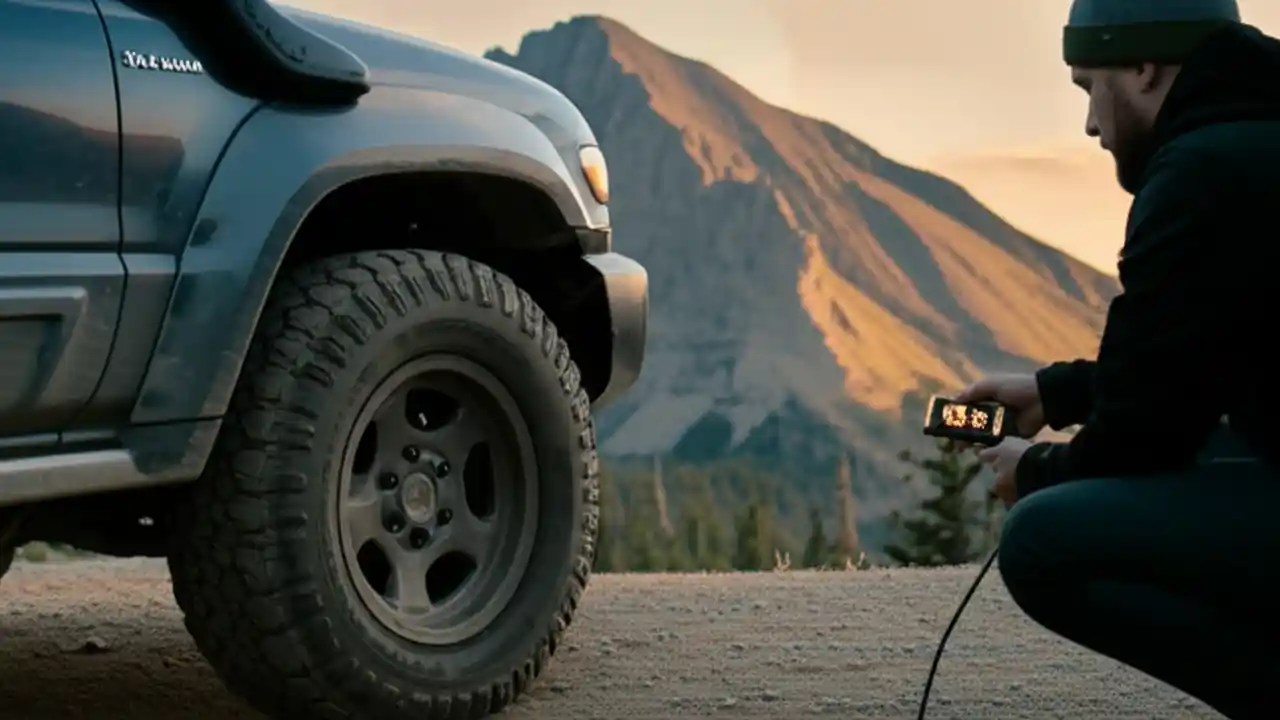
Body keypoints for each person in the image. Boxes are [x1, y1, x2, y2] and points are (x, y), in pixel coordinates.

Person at [955, 1, 1280, 717]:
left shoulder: (1200, 174)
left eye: (1087, 86)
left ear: (1143, 68)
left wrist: (1034, 471)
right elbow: (1198, 362)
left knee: (1042, 540)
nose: (1091, 124)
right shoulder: (1254, 141)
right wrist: (1059, 394)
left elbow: (1149, 431)